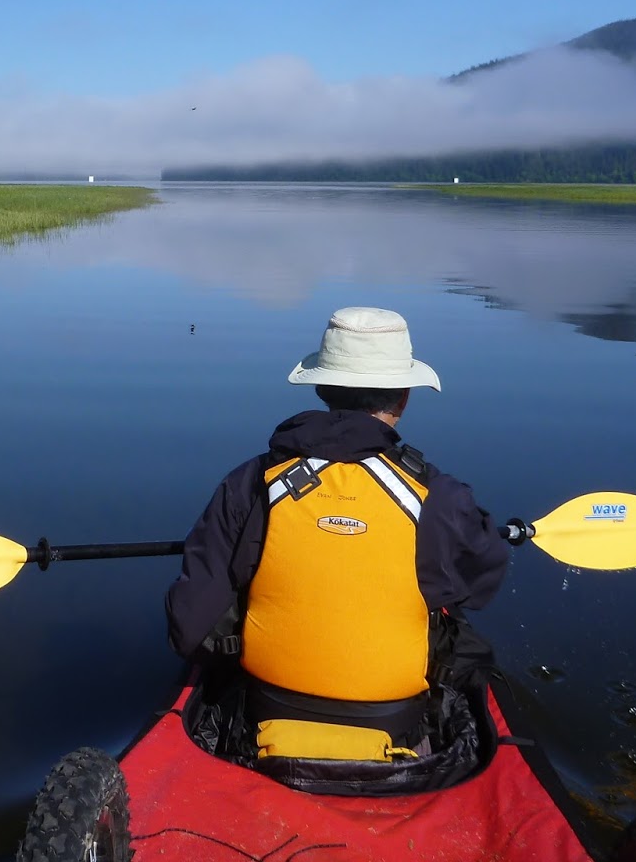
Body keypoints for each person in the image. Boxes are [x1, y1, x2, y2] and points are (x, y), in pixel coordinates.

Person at [165, 306, 512, 759]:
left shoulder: (250, 484)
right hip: (398, 723)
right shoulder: (439, 497)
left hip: (266, 712)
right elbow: (480, 586)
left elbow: (187, 630)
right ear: (404, 396)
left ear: (323, 388)